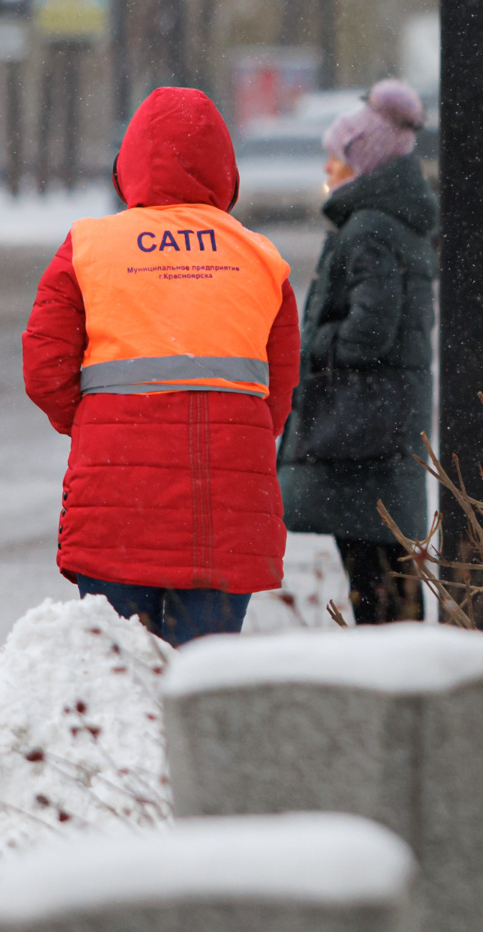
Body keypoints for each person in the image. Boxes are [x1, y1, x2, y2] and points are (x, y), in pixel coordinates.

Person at [23, 87, 298, 645]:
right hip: (229, 503)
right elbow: (281, 386)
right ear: (226, 168)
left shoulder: (88, 248)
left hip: (116, 501)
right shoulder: (260, 257)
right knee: (205, 678)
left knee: (122, 673)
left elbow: (44, 366)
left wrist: (93, 423)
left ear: (128, 166)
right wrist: (239, 432)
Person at [280, 81, 438, 626]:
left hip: (363, 429)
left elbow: (370, 331)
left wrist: (314, 344)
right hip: (381, 423)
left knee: (377, 579)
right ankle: (406, 682)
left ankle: (398, 689)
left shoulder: (369, 228)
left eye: (337, 157)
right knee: (388, 571)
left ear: (362, 163)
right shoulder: (386, 222)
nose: (328, 167)